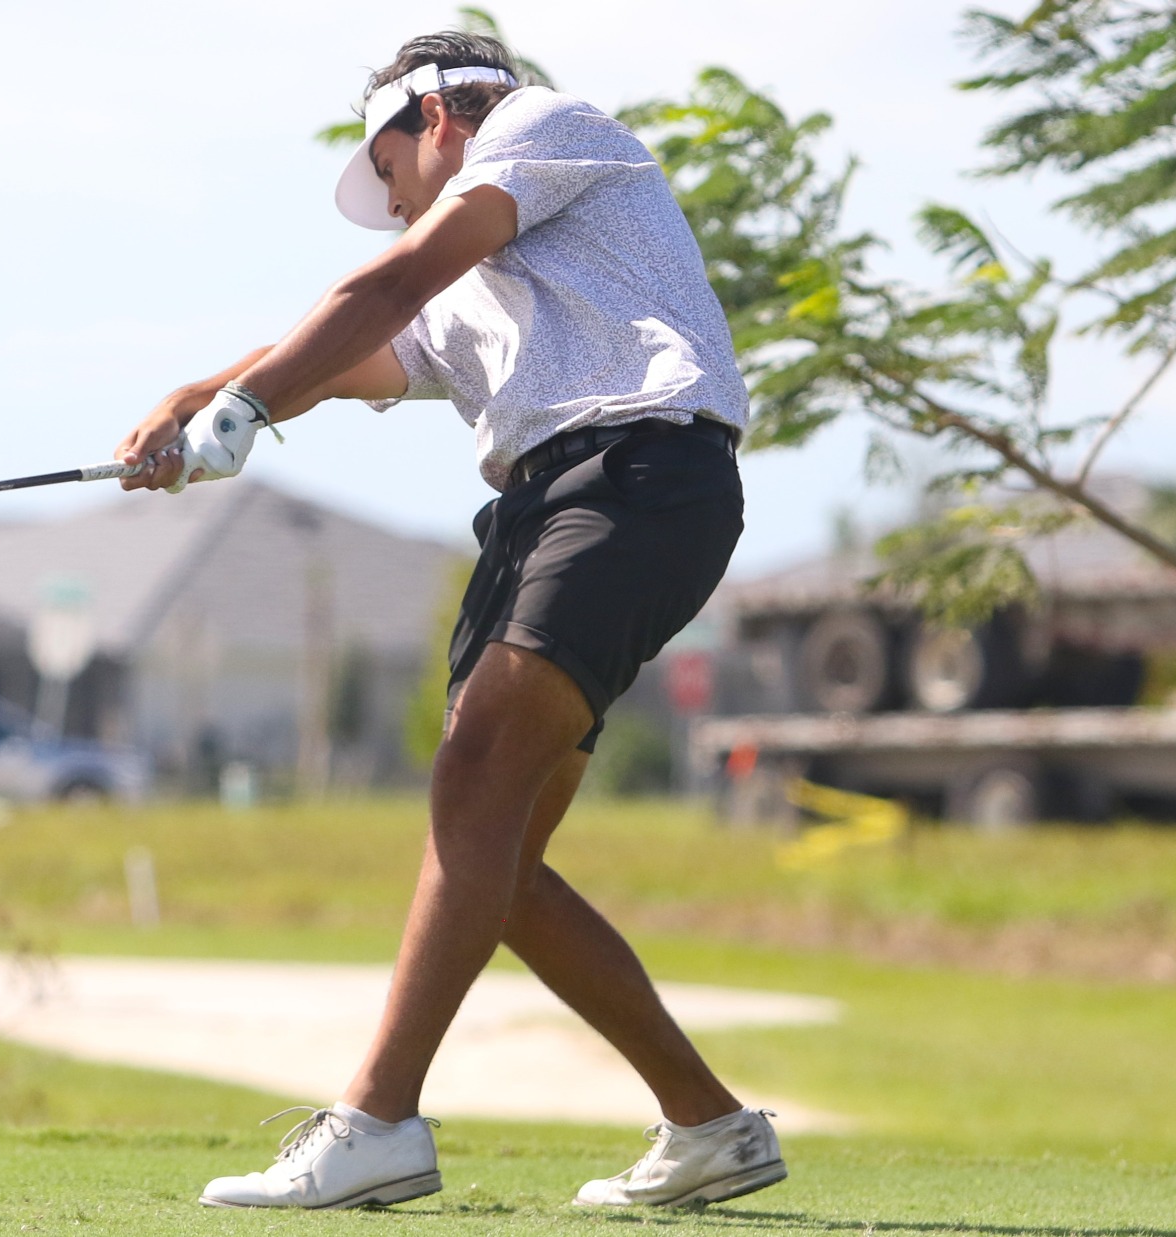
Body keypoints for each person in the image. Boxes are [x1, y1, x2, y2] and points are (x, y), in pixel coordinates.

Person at [113, 29, 781, 1212]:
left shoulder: (543, 129)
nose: (386, 201)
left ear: (437, 115)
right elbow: (371, 352)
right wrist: (198, 399)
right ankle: (708, 1123)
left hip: (635, 473)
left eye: (387, 168)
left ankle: (376, 1120)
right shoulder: (484, 274)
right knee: (496, 861)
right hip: (550, 505)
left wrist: (247, 404)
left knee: (471, 781)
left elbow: (386, 285)